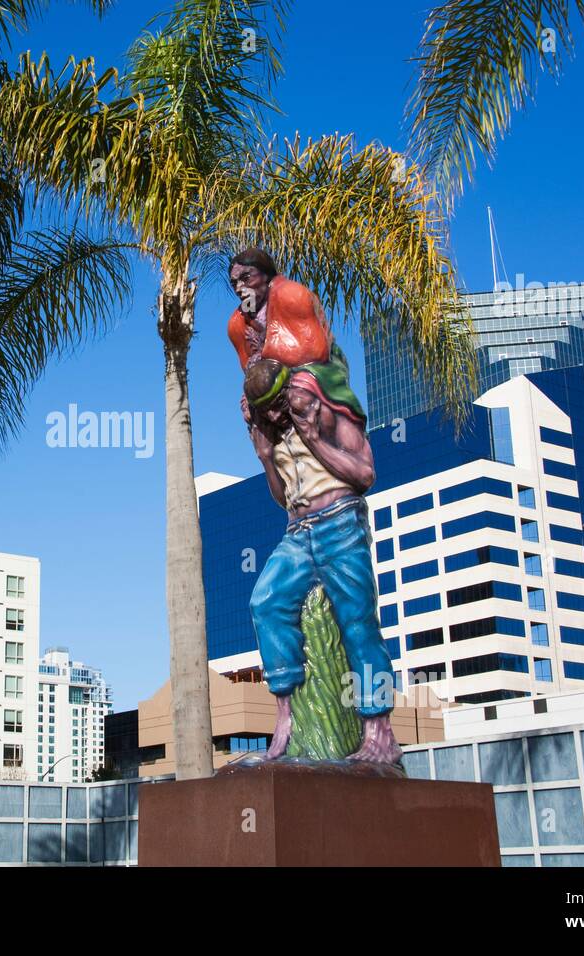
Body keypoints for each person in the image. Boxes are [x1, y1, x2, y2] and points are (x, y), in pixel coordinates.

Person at [231, 255, 402, 765]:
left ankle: (379, 729)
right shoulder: (271, 429)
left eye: (280, 405)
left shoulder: (324, 404)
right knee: (265, 601)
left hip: (340, 521)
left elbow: (365, 472)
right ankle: (284, 722)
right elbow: (283, 496)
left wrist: (313, 434)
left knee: (357, 621)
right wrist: (266, 454)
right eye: (266, 412)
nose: (276, 416)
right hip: (299, 527)